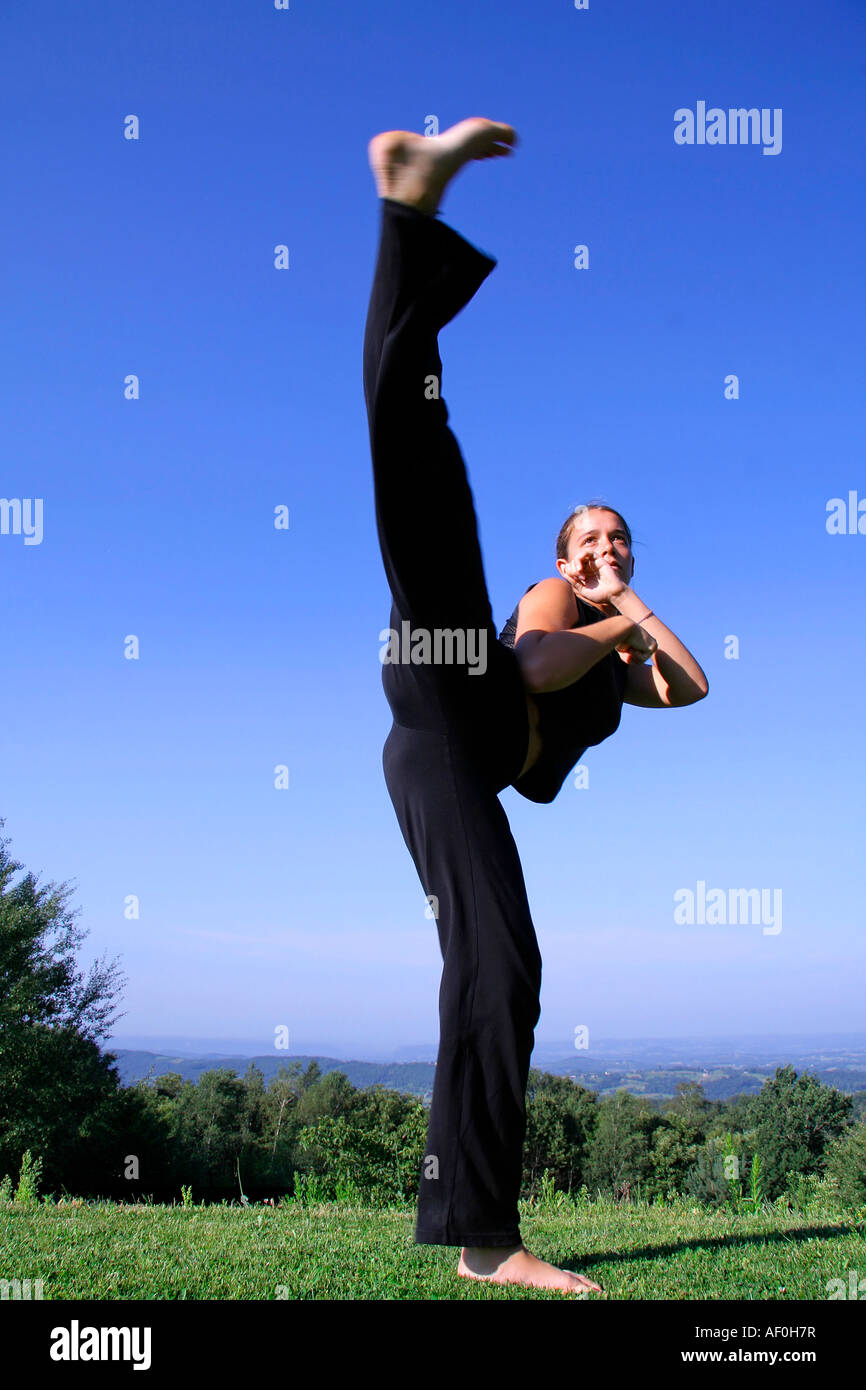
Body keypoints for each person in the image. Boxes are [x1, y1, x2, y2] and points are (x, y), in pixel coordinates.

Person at [362, 117, 708, 1295]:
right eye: (586, 537)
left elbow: (692, 688)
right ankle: (409, 219)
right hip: (456, 682)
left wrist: (639, 608)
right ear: (561, 552)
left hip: (441, 754)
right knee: (424, 475)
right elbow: (541, 669)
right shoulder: (554, 601)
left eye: (614, 537)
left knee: (498, 966)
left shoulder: (620, 631)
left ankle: (475, 1238)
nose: (599, 547)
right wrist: (608, 610)